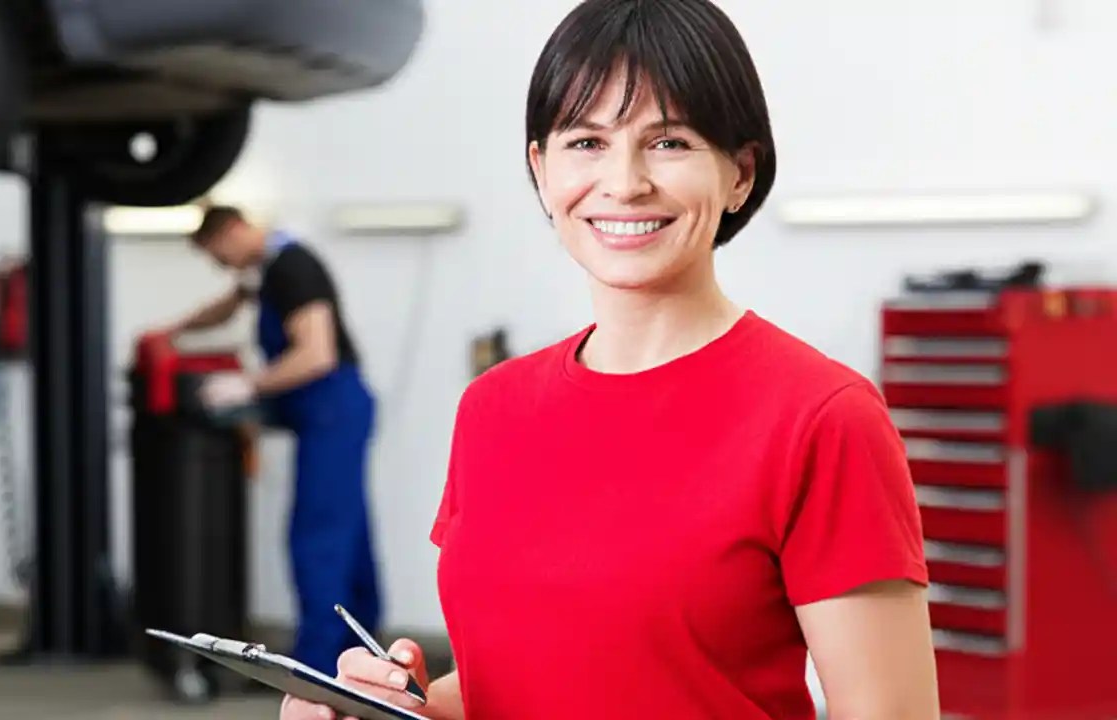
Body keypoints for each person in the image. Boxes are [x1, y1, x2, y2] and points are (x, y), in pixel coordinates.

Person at [282, 0, 940, 718]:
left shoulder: (822, 418)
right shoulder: (493, 407)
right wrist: (379, 706)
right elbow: (507, 681)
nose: (625, 182)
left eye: (670, 142)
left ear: (741, 173)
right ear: (541, 169)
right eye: (588, 142)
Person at [161, 206, 381, 678]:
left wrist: (249, 385)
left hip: (332, 410)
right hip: (328, 413)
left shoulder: (292, 266)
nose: (222, 266)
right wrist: (171, 333)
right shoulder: (266, 267)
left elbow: (316, 354)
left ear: (233, 231)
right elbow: (228, 304)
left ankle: (317, 670)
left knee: (318, 537)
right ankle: (365, 659)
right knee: (348, 535)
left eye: (219, 256)